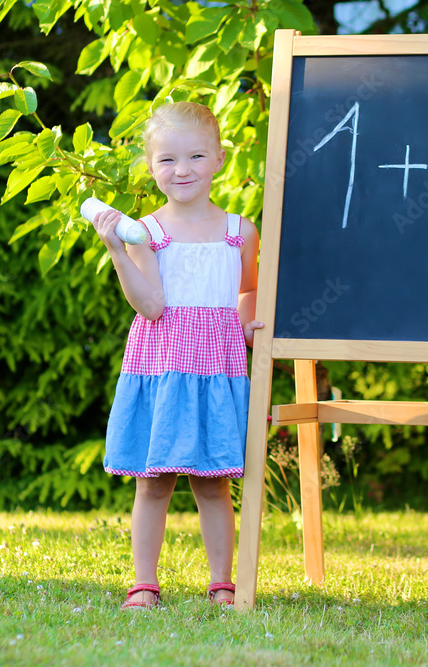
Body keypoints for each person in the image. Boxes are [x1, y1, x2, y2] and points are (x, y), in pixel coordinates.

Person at [92, 101, 262, 609]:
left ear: (220, 159)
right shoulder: (147, 233)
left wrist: (247, 327)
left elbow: (248, 290)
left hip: (217, 367)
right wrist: (117, 251)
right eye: (167, 160)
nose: (181, 170)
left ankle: (222, 584)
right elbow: (151, 306)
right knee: (154, 481)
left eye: (194, 157)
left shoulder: (240, 231)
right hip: (163, 366)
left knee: (212, 484)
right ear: (151, 168)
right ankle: (144, 584)